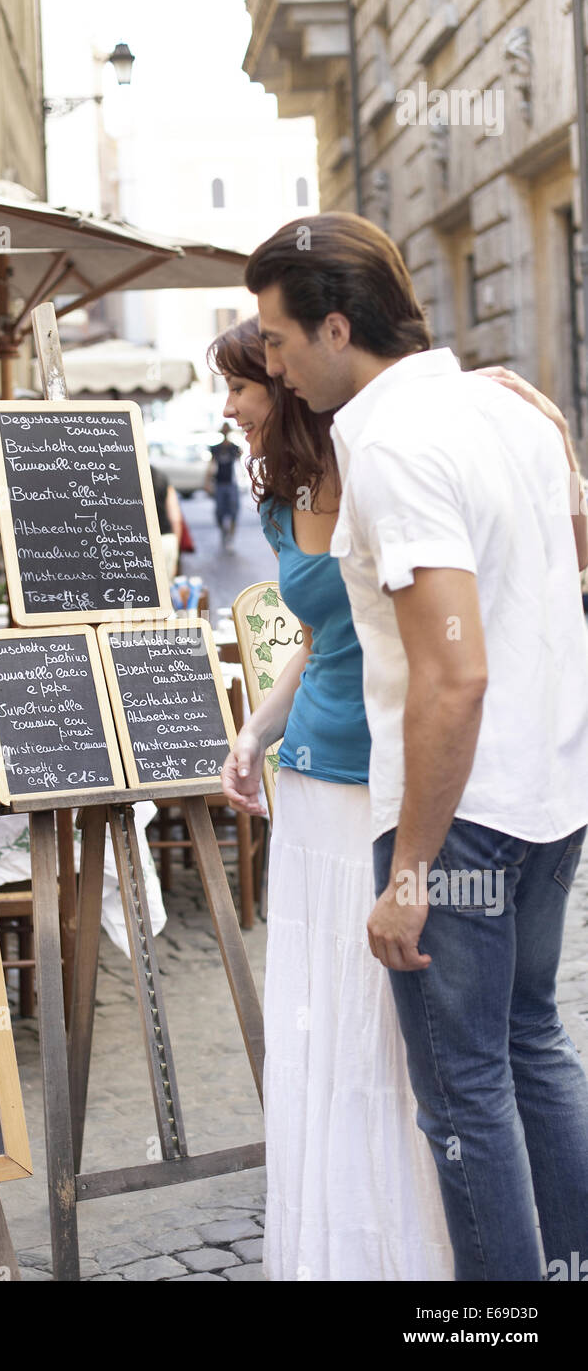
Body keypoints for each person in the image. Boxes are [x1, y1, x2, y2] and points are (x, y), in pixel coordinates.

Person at [243, 211, 588, 1282]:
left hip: (468, 816)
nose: (275, 362)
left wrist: (410, 870)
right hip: (549, 790)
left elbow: (453, 669)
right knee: (529, 1046)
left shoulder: (388, 440)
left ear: (336, 327)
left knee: (461, 1090)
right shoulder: (507, 408)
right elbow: (565, 557)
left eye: (279, 339)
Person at [214, 317, 452, 1282]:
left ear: (289, 384)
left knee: (385, 1025)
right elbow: (316, 636)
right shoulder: (283, 498)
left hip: (385, 785)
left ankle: (406, 1250)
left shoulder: (381, 473)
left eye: (245, 382)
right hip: (309, 782)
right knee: (314, 1015)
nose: (232, 402)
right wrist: (254, 732)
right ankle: (327, 1241)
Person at [206, 423, 242, 548]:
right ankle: (225, 533)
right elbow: (211, 465)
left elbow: (240, 465)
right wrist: (208, 481)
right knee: (219, 512)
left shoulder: (234, 448)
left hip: (231, 483)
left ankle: (230, 537)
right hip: (220, 483)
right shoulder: (216, 448)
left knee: (233, 511)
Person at [150, 463, 184, 579]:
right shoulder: (160, 476)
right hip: (165, 540)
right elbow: (175, 518)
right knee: (166, 591)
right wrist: (176, 551)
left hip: (136, 544)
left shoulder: (124, 477)